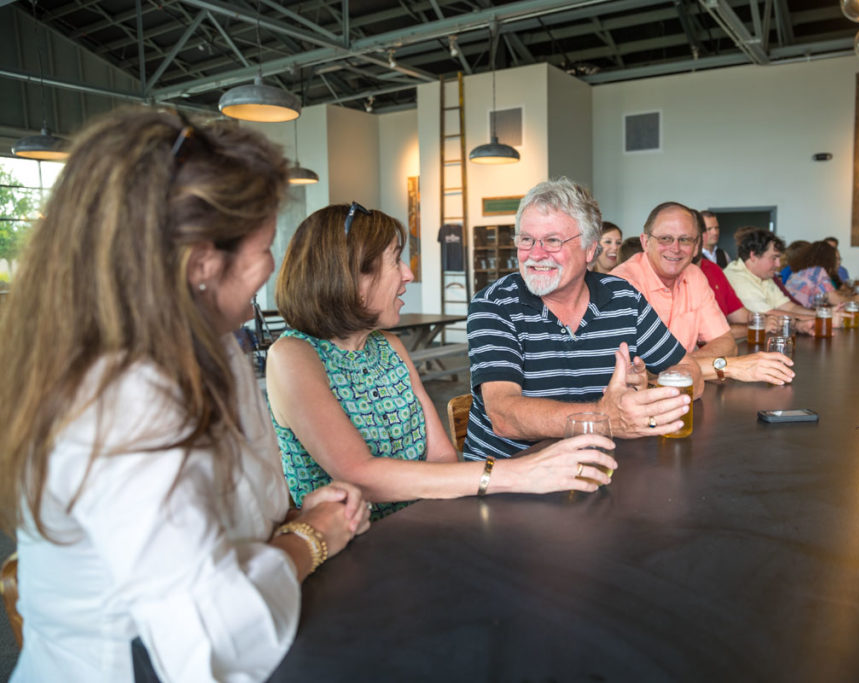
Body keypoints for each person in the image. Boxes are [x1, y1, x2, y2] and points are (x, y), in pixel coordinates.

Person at [0, 109, 371, 682]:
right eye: (266, 245)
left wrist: (299, 514)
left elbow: (225, 510)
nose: (271, 267)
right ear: (201, 261)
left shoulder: (208, 336)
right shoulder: (120, 403)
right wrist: (312, 539)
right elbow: (213, 633)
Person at [266, 204, 618, 515]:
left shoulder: (388, 346)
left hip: (422, 525)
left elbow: (443, 459)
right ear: (351, 275)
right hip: (350, 549)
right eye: (395, 260)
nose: (408, 274)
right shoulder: (294, 356)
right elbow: (360, 474)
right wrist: (518, 473)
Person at [464, 178, 704, 461]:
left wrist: (647, 394)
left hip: (602, 466)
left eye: (553, 241)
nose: (536, 254)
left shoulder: (623, 298)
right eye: (526, 239)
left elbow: (690, 372)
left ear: (590, 250)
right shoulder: (495, 305)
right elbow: (504, 415)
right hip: (511, 481)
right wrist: (606, 416)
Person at [612, 202, 793, 385]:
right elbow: (641, 373)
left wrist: (686, 365)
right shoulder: (621, 285)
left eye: (685, 240)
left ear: (696, 245)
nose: (675, 248)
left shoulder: (694, 275)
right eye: (665, 238)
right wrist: (729, 367)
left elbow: (726, 342)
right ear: (645, 242)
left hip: (688, 394)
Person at [785, 240, 859, 308]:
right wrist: (855, 299)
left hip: (792, 314)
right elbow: (834, 299)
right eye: (835, 259)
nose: (838, 262)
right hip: (799, 318)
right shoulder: (818, 271)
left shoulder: (802, 270)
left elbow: (828, 295)